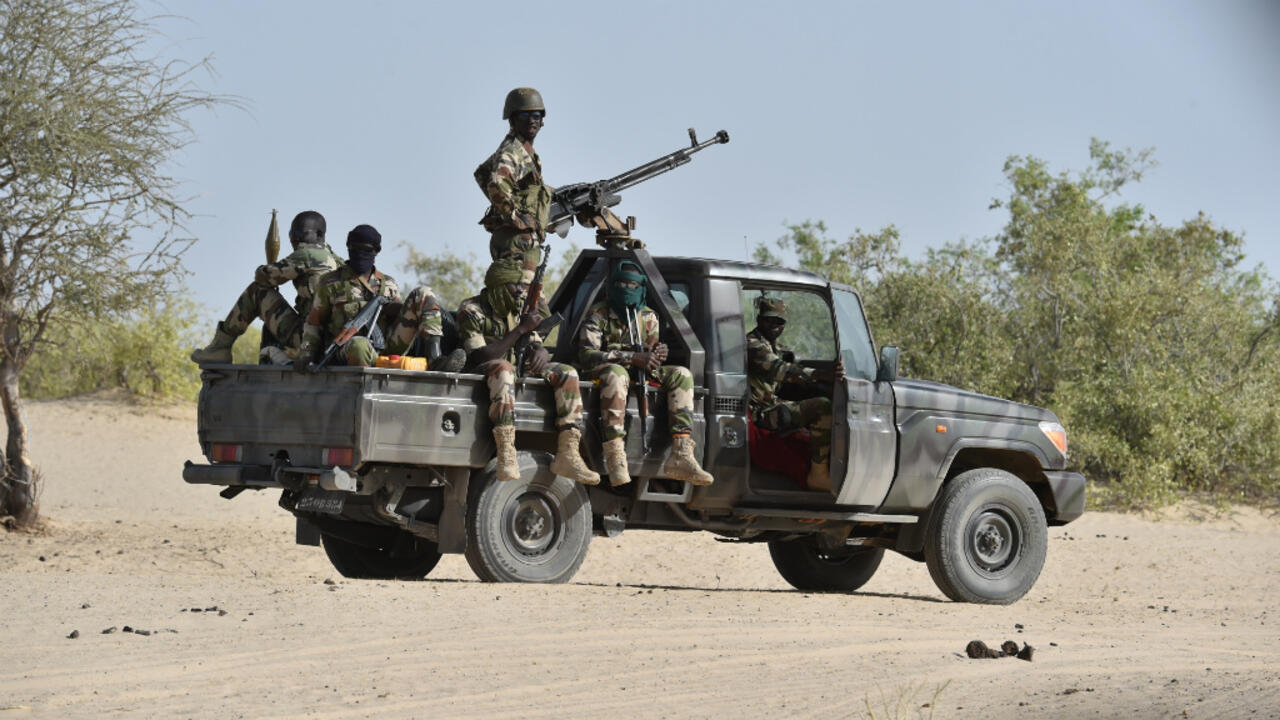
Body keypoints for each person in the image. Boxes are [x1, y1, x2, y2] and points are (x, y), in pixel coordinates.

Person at [457, 257, 599, 486]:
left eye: (523, 287)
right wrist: (520, 329)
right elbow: (481, 355)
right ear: (499, 285)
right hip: (487, 369)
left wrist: (540, 350)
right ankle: (506, 451)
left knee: (568, 373)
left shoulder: (517, 307)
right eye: (515, 286)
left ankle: (568, 452)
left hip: (519, 367)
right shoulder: (471, 309)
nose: (519, 292)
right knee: (504, 368)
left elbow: (533, 339)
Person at [576, 260, 714, 487]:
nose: (627, 291)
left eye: (633, 287)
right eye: (621, 285)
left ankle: (681, 452)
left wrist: (657, 354)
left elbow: (650, 354)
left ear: (641, 289)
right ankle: (615, 454)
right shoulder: (599, 313)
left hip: (638, 373)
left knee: (682, 374)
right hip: (606, 372)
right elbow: (587, 354)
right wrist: (630, 357)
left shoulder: (649, 317)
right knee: (617, 372)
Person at [190, 210, 342, 364]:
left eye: (301, 233)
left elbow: (264, 277)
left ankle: (219, 348)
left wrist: (262, 268)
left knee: (257, 292)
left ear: (319, 235)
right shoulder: (336, 260)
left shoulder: (309, 254)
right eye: (292, 233)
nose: (295, 238)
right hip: (330, 339)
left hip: (310, 339)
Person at [746, 296, 844, 489]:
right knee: (822, 407)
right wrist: (821, 374)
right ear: (759, 320)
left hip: (772, 406)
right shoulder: (752, 344)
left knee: (821, 397)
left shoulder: (777, 348)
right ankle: (819, 475)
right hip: (759, 414)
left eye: (779, 321)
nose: (774, 325)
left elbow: (792, 375)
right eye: (769, 320)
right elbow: (781, 370)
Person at [295, 224, 401, 369]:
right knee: (359, 345)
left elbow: (398, 322)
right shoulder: (331, 282)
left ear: (376, 251)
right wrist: (306, 354)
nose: (359, 254)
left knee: (423, 297)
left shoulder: (389, 285)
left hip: (382, 353)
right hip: (344, 351)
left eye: (366, 250)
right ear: (348, 247)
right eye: (354, 248)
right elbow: (314, 323)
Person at [474, 87, 552, 269]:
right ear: (512, 120)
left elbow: (521, 193)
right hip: (514, 244)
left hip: (518, 243)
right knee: (522, 296)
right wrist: (517, 218)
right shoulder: (513, 152)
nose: (531, 120)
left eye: (536, 115)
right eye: (524, 116)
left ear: (542, 121)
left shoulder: (524, 152)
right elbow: (496, 185)